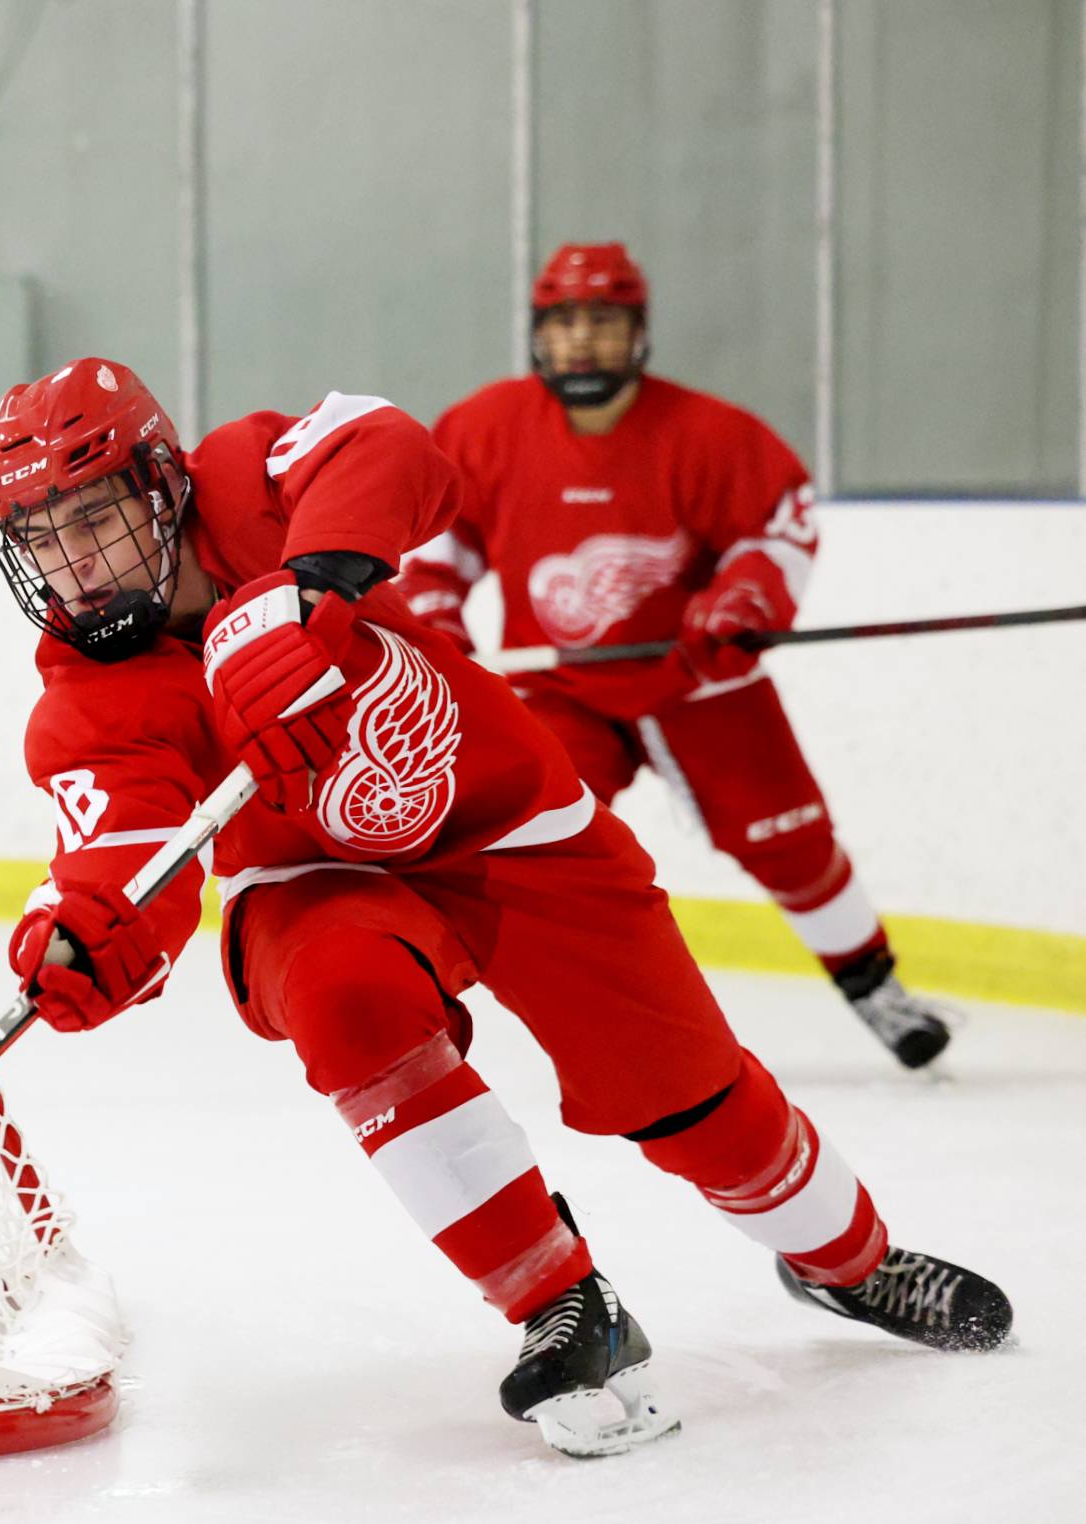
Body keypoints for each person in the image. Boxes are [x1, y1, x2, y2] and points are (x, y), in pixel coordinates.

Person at [0, 356, 1010, 1456]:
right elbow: (120, 860)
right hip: (320, 886)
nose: (74, 561)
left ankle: (848, 1262)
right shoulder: (89, 702)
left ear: (161, 482)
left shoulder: (247, 473)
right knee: (344, 995)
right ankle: (558, 1300)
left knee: (699, 1107)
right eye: (40, 535)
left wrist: (313, 582)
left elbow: (393, 449)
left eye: (92, 515)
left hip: (515, 826)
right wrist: (89, 938)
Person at [398, 242, 948, 1068]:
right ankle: (450, 995)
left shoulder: (707, 434)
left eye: (604, 321)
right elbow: (440, 548)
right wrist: (439, 621)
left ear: (639, 333)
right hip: (562, 688)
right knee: (531, 840)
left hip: (698, 678)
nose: (583, 341)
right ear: (538, 334)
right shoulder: (485, 427)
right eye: (565, 322)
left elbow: (777, 531)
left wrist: (741, 602)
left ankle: (876, 991)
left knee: (791, 839)